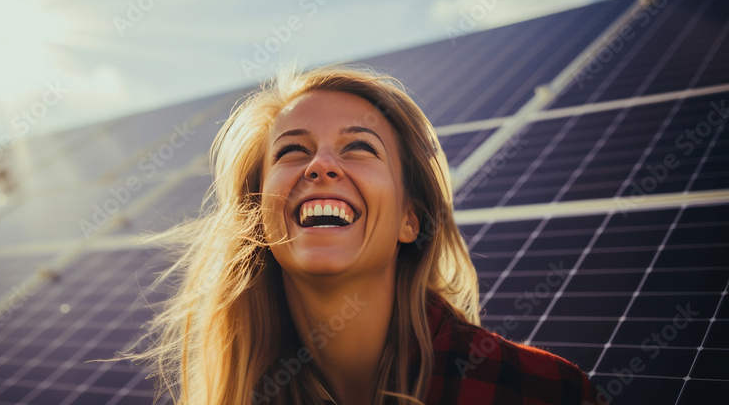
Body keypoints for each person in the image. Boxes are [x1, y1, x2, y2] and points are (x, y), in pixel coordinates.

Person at [123, 64, 604, 404]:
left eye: (359, 147)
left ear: (408, 219)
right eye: (293, 151)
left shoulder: (541, 391)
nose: (321, 165)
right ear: (258, 215)